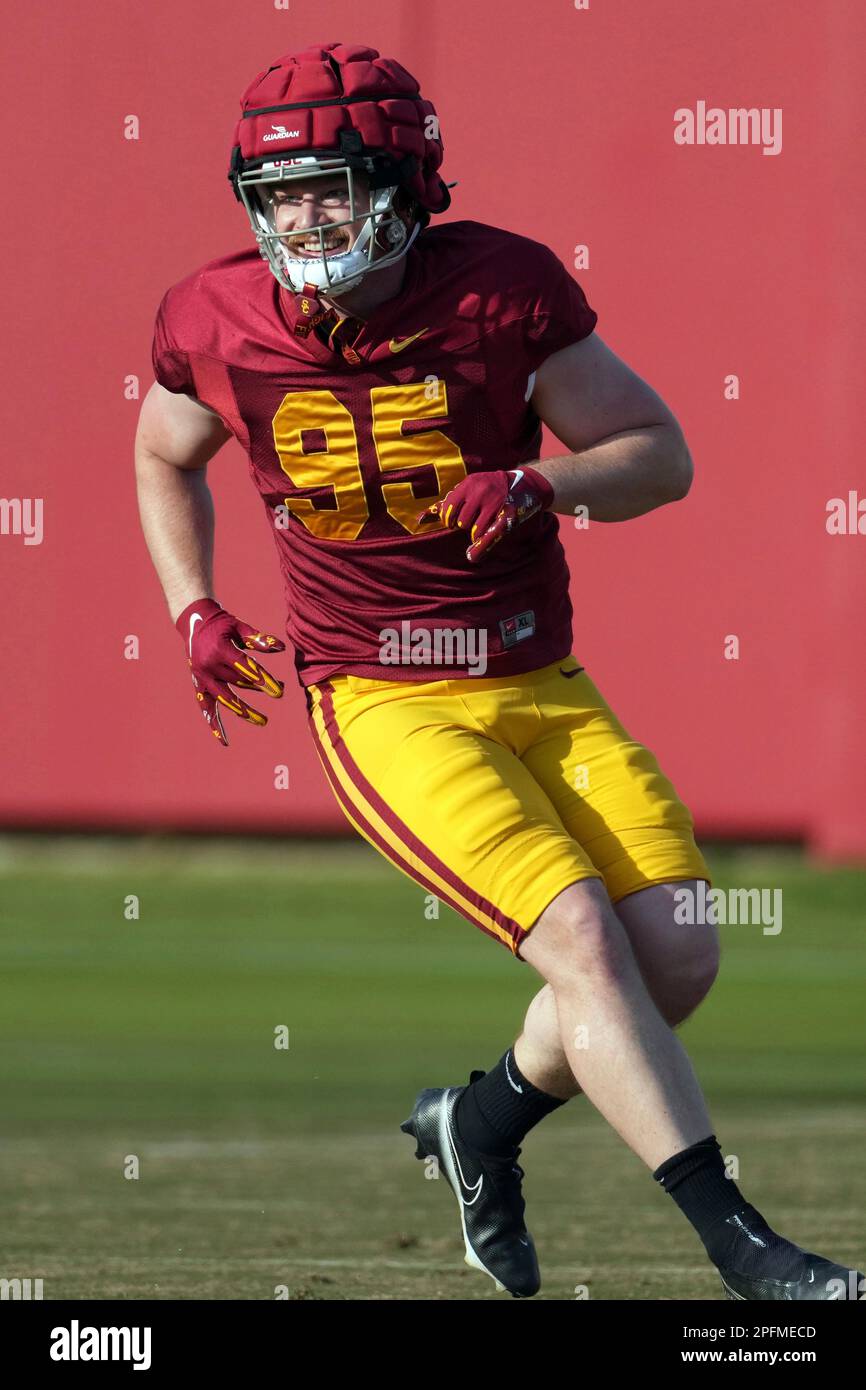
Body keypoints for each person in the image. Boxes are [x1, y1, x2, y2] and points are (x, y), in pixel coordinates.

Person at [135, 42, 862, 1301]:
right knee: (582, 943)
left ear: (409, 186)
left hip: (536, 677)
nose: (306, 216)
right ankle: (740, 1246)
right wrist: (192, 605)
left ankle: (479, 1124)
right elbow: (164, 454)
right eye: (284, 191)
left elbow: (656, 453)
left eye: (334, 185)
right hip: (379, 691)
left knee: (676, 954)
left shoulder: (502, 290)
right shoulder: (214, 317)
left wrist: (539, 480)